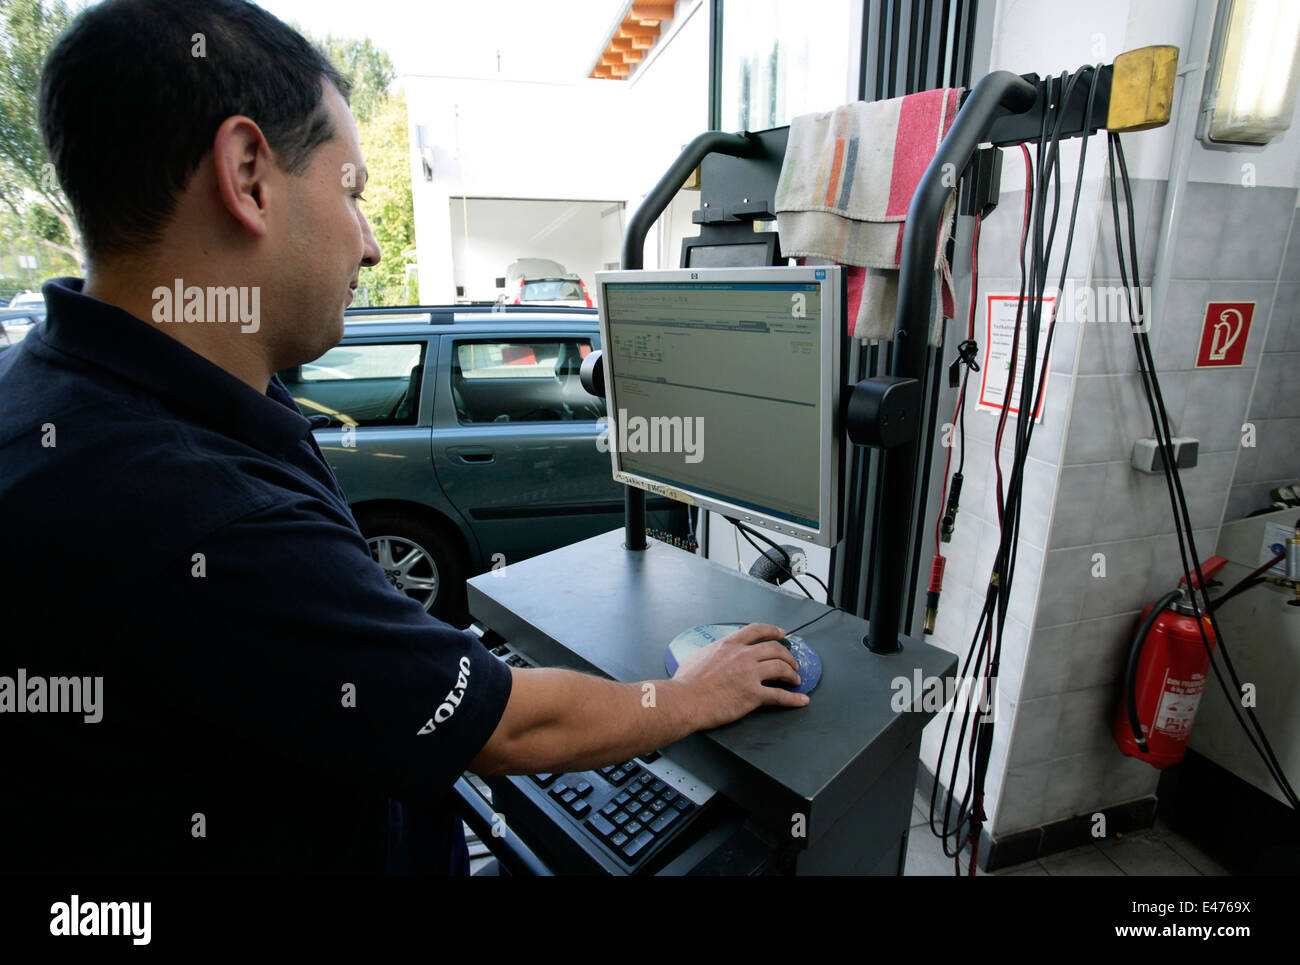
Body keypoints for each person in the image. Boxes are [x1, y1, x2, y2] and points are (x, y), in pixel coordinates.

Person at [0, 0, 808, 875]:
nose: (374, 245)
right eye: (352, 192)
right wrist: (689, 696)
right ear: (247, 175)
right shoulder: (197, 510)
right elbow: (506, 726)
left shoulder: (60, 395)